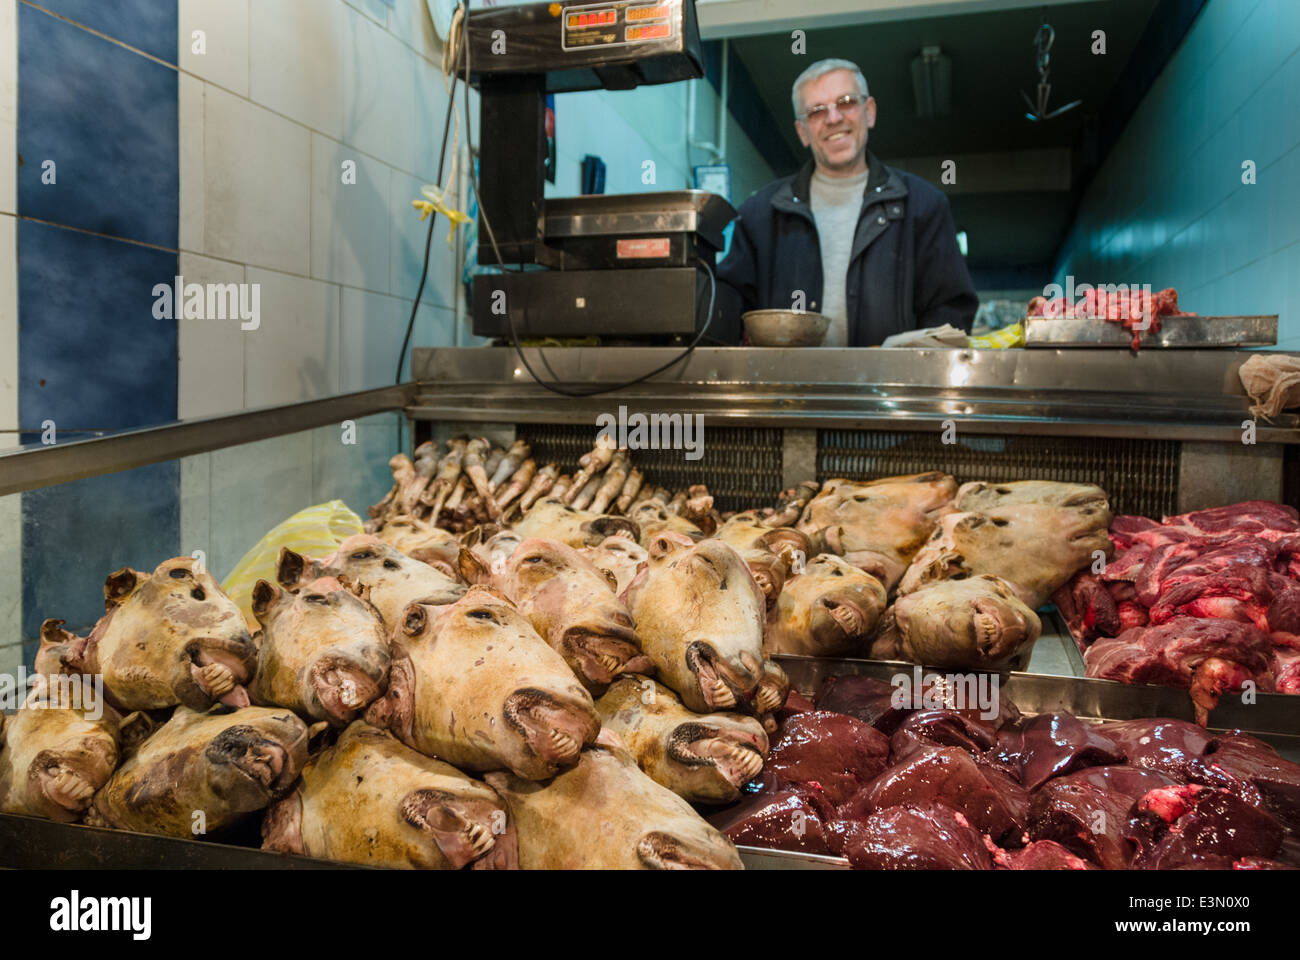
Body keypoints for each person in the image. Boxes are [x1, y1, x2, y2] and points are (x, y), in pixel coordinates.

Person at [717, 58, 978, 346]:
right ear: (802, 132)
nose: (833, 118)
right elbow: (728, 313)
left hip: (892, 388)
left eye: (846, 102)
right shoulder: (760, 214)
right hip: (786, 389)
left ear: (869, 112)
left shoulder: (923, 205)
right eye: (816, 111)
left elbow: (951, 310)